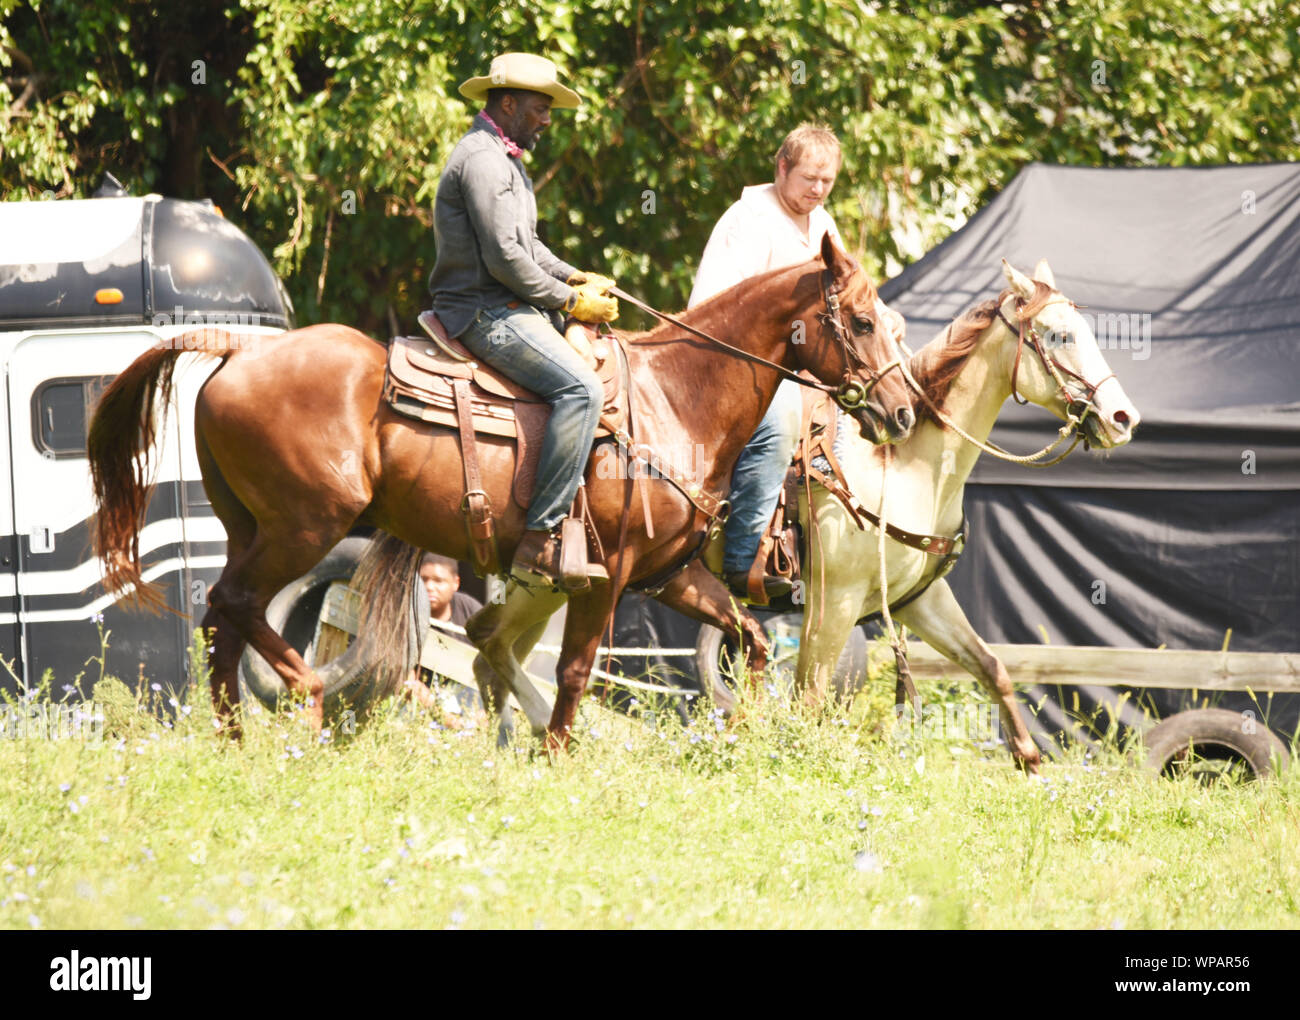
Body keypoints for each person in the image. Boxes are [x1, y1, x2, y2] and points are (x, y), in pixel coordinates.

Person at [428, 52, 617, 589]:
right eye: (540, 108)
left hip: (512, 302)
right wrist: (571, 303)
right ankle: (542, 534)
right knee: (582, 390)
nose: (547, 119)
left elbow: (528, 245)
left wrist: (576, 276)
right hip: (483, 310)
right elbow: (505, 262)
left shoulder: (506, 157)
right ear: (507, 103)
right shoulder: (484, 161)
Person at [688, 124, 847, 600]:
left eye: (827, 181)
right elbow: (713, 308)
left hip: (795, 365)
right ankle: (743, 558)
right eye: (809, 179)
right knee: (781, 424)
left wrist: (884, 318)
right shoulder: (748, 219)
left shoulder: (822, 224)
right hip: (733, 364)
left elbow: (846, 289)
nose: (817, 190)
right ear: (782, 169)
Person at [401, 554, 486, 726]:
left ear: (456, 583)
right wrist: (446, 719)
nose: (429, 587)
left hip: (466, 695)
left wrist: (485, 715)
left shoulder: (470, 610)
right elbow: (405, 680)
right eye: (423, 580)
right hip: (421, 701)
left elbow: (497, 665)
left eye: (439, 581)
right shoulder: (406, 613)